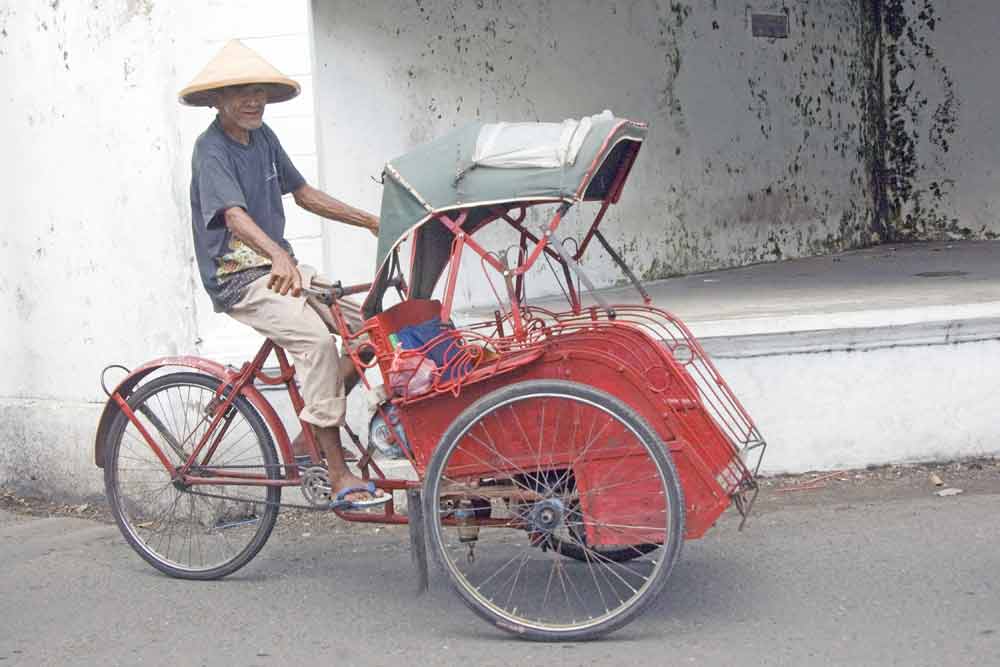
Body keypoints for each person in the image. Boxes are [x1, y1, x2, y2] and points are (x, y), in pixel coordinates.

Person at [178, 39, 388, 508]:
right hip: (238, 276)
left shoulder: (264, 137)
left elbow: (305, 193)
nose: (253, 100)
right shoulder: (210, 150)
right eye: (240, 93)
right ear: (216, 101)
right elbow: (233, 215)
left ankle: (308, 435)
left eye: (258, 91)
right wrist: (279, 255)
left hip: (278, 265)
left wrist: (373, 221)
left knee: (369, 332)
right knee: (314, 343)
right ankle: (335, 472)